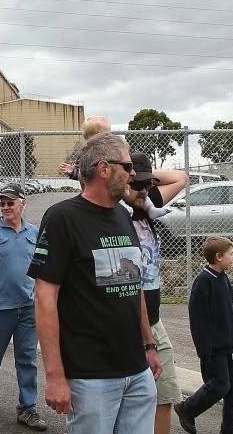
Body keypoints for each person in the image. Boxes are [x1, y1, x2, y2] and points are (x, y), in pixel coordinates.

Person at [29, 133, 162, 434]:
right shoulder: (62, 218)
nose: (132, 174)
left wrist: (149, 345)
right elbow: (45, 299)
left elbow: (135, 285)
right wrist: (55, 376)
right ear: (104, 169)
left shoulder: (123, 216)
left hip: (137, 371)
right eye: (127, 166)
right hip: (91, 377)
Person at [0, 183, 47, 431]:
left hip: (28, 307)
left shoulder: (33, 232)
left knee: (27, 359)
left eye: (10, 203)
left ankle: (27, 408)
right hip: (0, 308)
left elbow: (40, 268)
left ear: (22, 204)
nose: (5, 207)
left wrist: (40, 299)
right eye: (2, 203)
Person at [121, 152, 187, 433]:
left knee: (164, 394)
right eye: (137, 185)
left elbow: (180, 178)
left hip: (154, 321)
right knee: (128, 402)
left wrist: (143, 177)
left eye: (147, 185)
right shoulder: (115, 213)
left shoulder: (145, 203)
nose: (144, 191)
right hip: (128, 324)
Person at [174, 236, 233, 434]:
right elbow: (197, 320)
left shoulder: (223, 278)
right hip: (214, 349)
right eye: (231, 254)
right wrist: (204, 351)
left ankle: (229, 427)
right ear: (218, 257)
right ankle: (186, 409)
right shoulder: (203, 281)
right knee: (219, 385)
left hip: (230, 346)